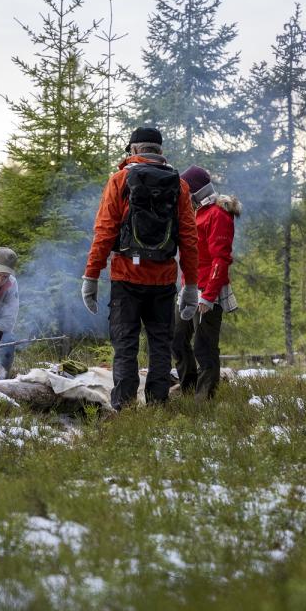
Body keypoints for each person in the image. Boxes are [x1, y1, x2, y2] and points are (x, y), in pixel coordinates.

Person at [81, 126, 198, 411]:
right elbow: (189, 239)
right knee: (160, 344)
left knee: (125, 344)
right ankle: (158, 405)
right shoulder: (179, 186)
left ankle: (124, 406)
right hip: (163, 279)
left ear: (133, 150)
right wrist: (191, 285)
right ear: (160, 151)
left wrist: (91, 276)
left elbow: (105, 232)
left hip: (126, 278)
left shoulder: (119, 180)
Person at [172, 165, 240, 400]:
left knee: (204, 346)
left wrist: (209, 296)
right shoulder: (195, 211)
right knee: (177, 339)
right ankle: (189, 389)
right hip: (189, 288)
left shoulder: (218, 214)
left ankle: (204, 401)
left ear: (194, 190)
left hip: (209, 289)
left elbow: (220, 260)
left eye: (184, 189)